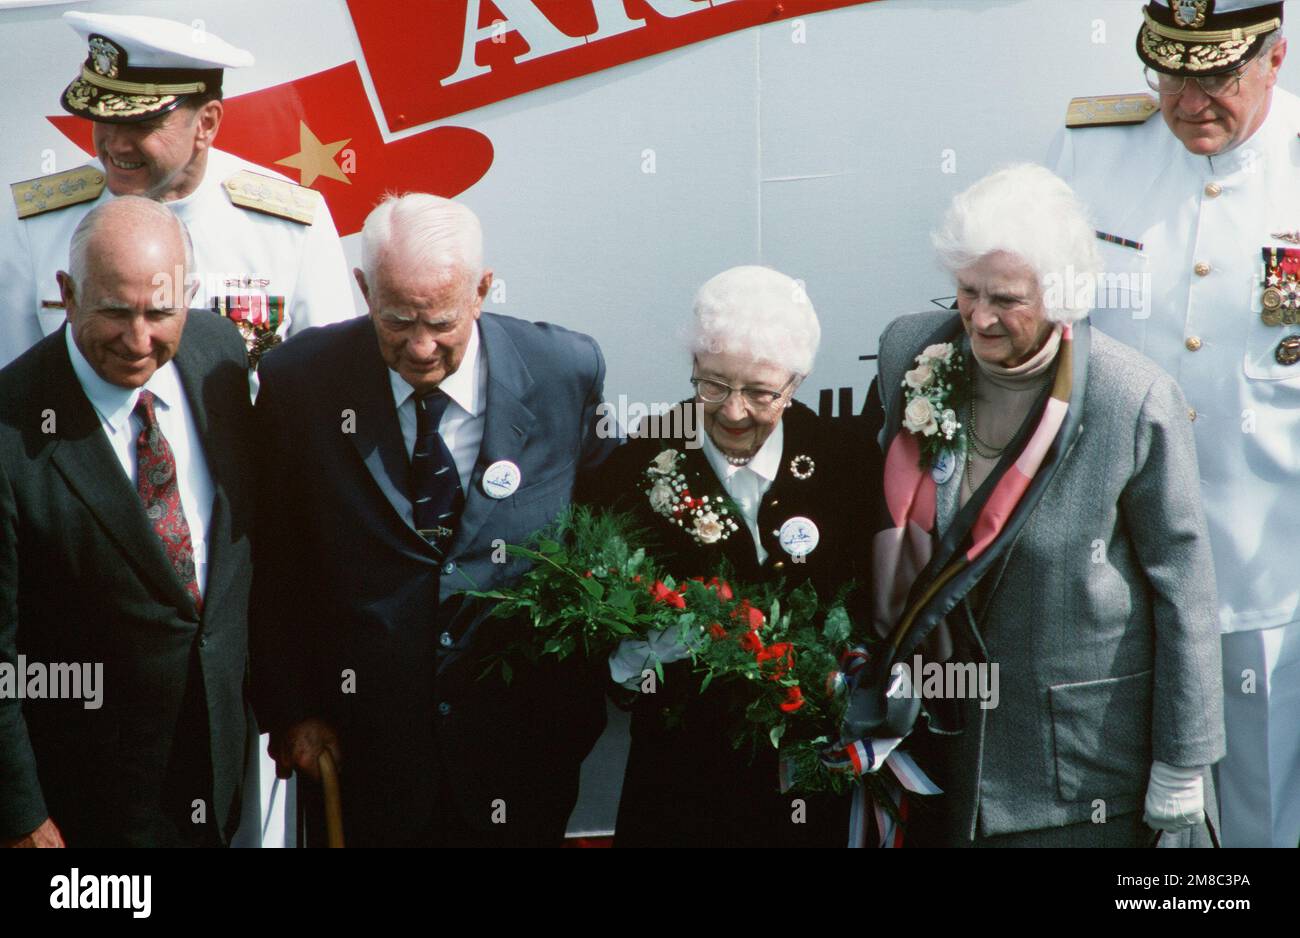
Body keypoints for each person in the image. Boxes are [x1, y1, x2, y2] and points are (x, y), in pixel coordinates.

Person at [868, 164, 1224, 847]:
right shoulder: (907, 352)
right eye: (967, 291)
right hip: (934, 753)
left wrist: (1185, 758)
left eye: (1005, 298)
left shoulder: (1133, 398)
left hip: (1074, 772)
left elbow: (1187, 593)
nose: (978, 318)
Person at [250, 193, 615, 847]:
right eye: (396, 320)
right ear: (362, 288)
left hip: (521, 758)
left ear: (481, 290)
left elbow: (607, 539)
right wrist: (292, 709)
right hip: (362, 760)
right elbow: (273, 560)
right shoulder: (301, 381)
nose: (420, 347)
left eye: (441, 323)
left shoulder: (565, 372)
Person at [1047, 0, 1300, 848]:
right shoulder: (1092, 153)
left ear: (1277, 58)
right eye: (1169, 70)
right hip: (1115, 579)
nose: (1189, 100)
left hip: (1267, 582)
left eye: (1218, 74)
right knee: (1114, 824)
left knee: (1266, 823)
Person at [582, 265, 869, 847]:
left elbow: (875, 612)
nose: (733, 411)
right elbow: (594, 638)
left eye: (761, 392)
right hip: (680, 783)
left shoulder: (847, 462)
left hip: (808, 782)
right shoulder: (637, 464)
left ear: (796, 382)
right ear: (692, 369)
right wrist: (630, 664)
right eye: (712, 385)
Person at [0, 196, 256, 847]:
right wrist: (18, 814)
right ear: (66, 293)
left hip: (224, 786)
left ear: (189, 297)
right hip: (86, 809)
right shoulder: (10, 428)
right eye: (114, 311)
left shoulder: (219, 356)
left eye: (160, 312)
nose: (139, 340)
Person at [0, 10, 356, 369]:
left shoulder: (289, 226)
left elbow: (330, 382)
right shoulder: (36, 225)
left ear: (207, 123)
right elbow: (12, 389)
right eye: (103, 119)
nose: (116, 145)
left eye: (141, 124)